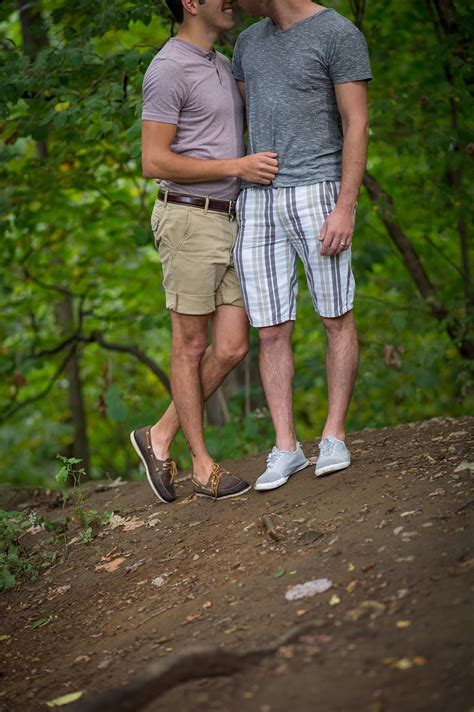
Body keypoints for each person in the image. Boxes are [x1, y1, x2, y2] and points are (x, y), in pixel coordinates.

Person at [131, 0, 279, 501]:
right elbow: (153, 160)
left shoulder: (219, 61)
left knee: (233, 345)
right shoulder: (168, 67)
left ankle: (158, 436)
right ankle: (200, 465)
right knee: (190, 344)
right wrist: (237, 167)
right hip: (189, 219)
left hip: (231, 220)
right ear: (192, 3)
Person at [233, 0, 372, 490]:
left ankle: (333, 435)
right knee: (270, 329)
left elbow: (356, 122)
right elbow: (245, 119)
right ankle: (286, 447)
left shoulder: (337, 32)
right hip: (258, 198)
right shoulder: (247, 40)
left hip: (319, 191)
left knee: (335, 316)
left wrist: (346, 206)